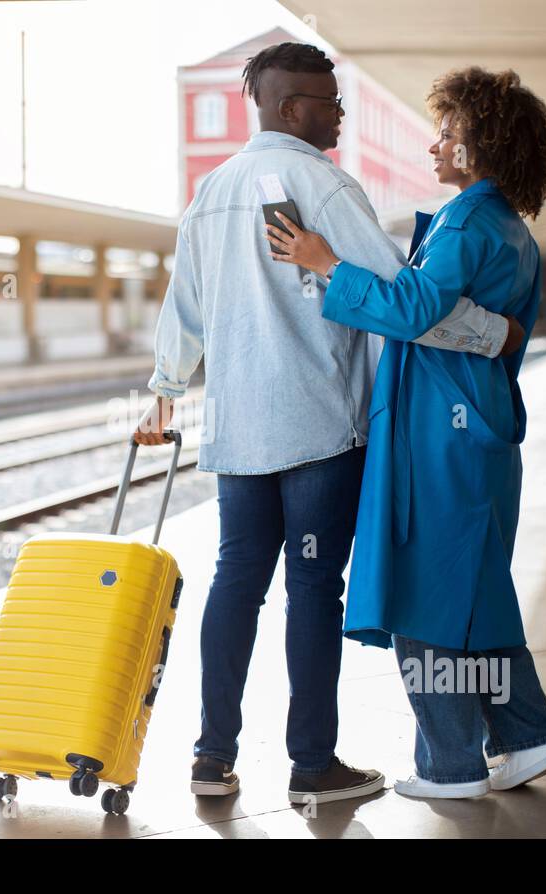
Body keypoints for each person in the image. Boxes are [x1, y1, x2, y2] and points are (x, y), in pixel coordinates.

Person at [133, 43, 523, 806]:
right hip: (319, 429)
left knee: (237, 582)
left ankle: (211, 757)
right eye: (327, 99)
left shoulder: (210, 193)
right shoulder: (325, 185)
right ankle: (313, 764)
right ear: (289, 108)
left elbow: (183, 310)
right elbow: (408, 300)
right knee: (313, 589)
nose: (339, 111)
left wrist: (164, 390)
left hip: (240, 432)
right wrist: (496, 334)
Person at [266, 66, 546, 799]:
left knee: (424, 590)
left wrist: (324, 261)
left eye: (448, 132)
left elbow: (410, 309)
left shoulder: (467, 222)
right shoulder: (511, 230)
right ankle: (530, 735)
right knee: (473, 588)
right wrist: (485, 331)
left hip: (442, 433)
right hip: (479, 429)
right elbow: (493, 331)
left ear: (483, 143)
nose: (435, 143)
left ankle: (451, 764)